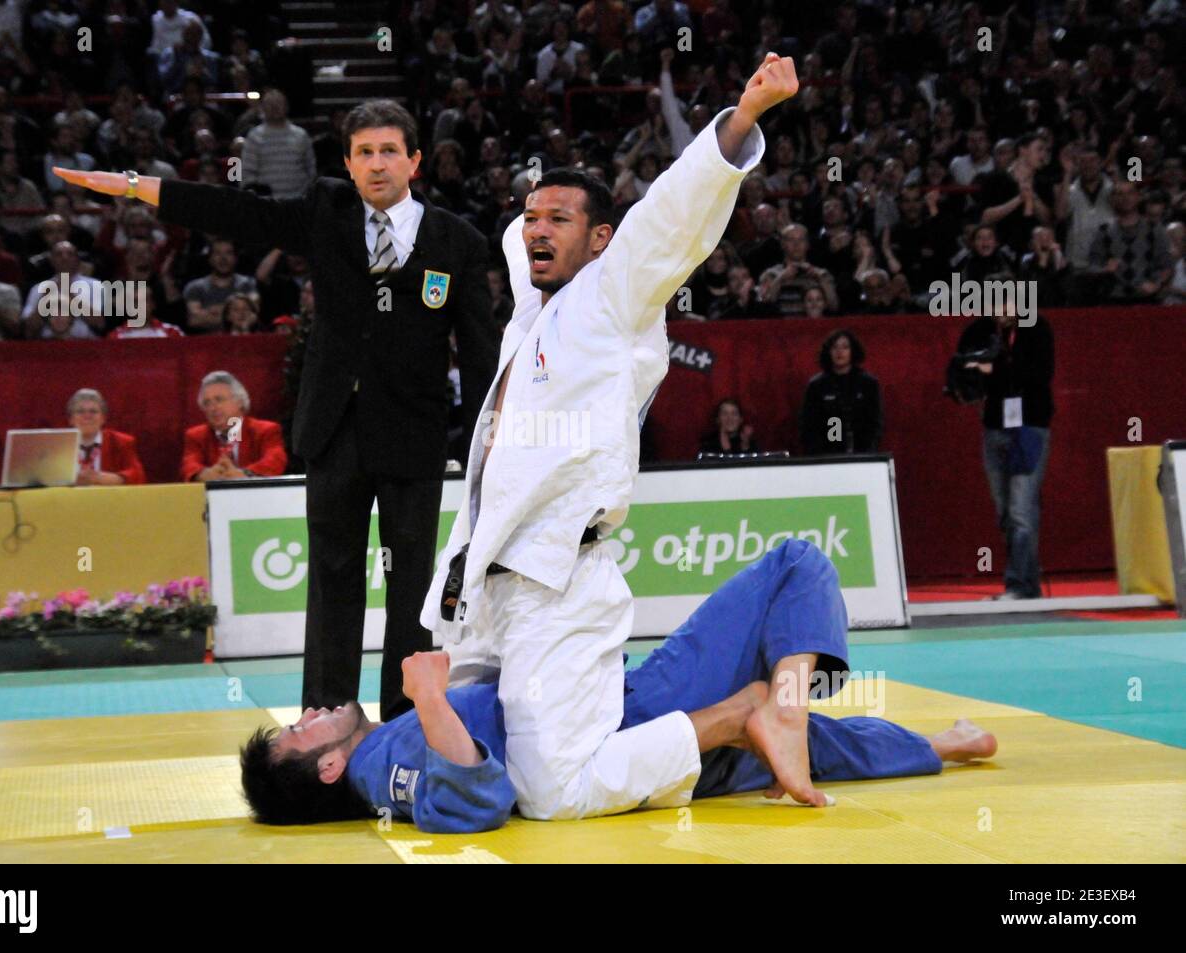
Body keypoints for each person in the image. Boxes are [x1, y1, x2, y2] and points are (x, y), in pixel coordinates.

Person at [415, 54, 833, 819]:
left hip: (556, 586)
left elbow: (669, 218)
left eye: (559, 220)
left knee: (549, 794)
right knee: (445, 753)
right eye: (531, 218)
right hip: (484, 588)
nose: (537, 230)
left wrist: (742, 119)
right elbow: (520, 237)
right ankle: (802, 727)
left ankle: (746, 715)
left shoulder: (611, 298)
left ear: (603, 239)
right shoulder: (528, 318)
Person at [53, 99, 499, 721]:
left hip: (414, 434)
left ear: (415, 161)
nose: (377, 164)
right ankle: (326, 714)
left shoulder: (460, 241)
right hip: (335, 428)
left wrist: (485, 444)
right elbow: (239, 212)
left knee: (413, 587)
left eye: (389, 151)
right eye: (364, 152)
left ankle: (405, 719)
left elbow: (480, 353)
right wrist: (137, 187)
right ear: (347, 162)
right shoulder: (326, 212)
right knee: (333, 575)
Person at [240, 539, 998, 831]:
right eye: (298, 732)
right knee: (797, 564)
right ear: (328, 766)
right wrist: (432, 697)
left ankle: (918, 744)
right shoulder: (385, 766)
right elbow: (474, 801)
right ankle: (785, 710)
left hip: (634, 738)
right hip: (628, 717)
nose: (309, 713)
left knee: (770, 751)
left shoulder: (382, 767)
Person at [956, 302, 1055, 600]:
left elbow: (1039, 374)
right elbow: (964, 366)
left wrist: (994, 368)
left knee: (1021, 510)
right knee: (1005, 513)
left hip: (1029, 427)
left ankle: (1018, 585)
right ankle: (1027, 584)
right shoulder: (981, 330)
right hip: (995, 426)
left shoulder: (1036, 328)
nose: (1000, 309)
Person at [181, 371, 288, 482]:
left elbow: (275, 461)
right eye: (207, 403)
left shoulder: (265, 431)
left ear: (240, 402)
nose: (213, 408)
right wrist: (204, 474)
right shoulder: (196, 436)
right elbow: (189, 465)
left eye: (219, 399)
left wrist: (244, 475)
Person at [800, 329, 882, 456]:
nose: (839, 352)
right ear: (828, 352)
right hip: (827, 454)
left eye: (845, 347)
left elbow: (875, 422)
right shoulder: (817, 385)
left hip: (862, 453)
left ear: (853, 351)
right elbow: (809, 425)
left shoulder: (868, 384)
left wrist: (869, 451)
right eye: (835, 347)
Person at [67, 388, 146, 486]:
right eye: (80, 411)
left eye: (93, 411)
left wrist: (105, 479)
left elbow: (138, 476)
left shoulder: (121, 442)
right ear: (71, 419)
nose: (87, 416)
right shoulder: (58, 445)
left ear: (103, 418)